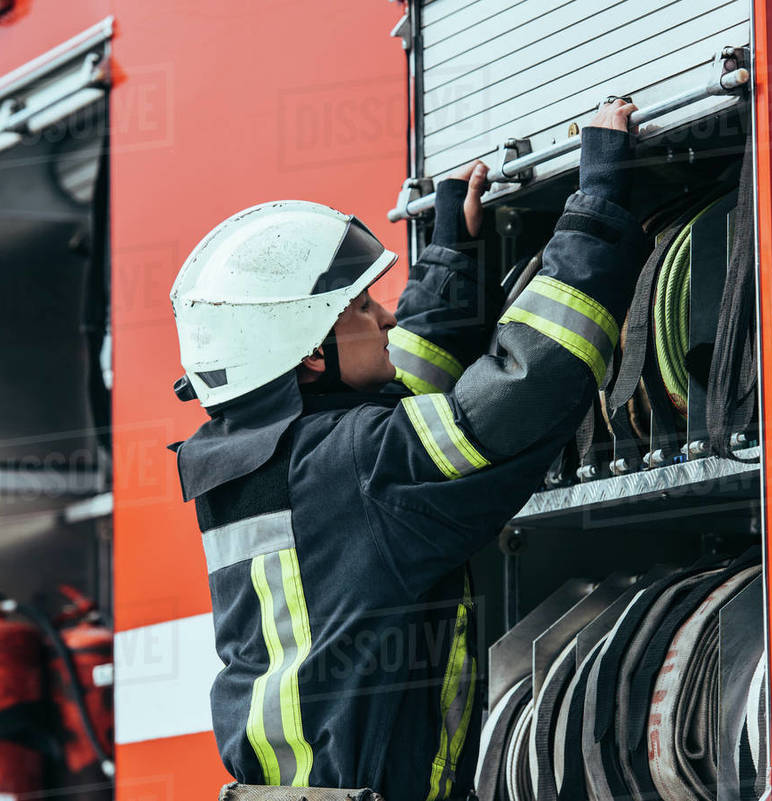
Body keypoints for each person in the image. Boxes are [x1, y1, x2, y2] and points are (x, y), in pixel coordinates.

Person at [169, 100, 648, 801]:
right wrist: (597, 208)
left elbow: (399, 402)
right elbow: (522, 388)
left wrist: (452, 258)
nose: (387, 315)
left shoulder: (257, 455)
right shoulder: (351, 461)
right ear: (310, 351)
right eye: (363, 307)